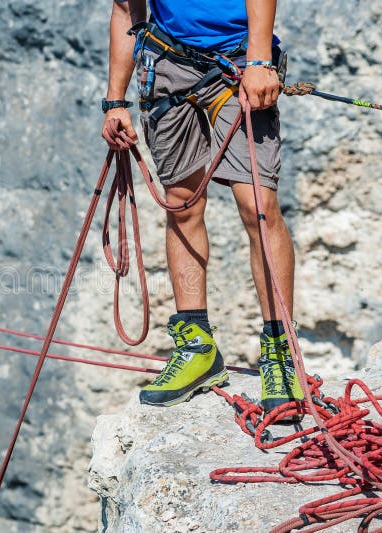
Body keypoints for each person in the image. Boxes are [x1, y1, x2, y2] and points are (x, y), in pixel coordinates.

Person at [102, 0, 303, 419]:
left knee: (258, 206)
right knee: (181, 206)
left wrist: (260, 59)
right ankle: (197, 347)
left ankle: (282, 352)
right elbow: (125, 8)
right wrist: (114, 101)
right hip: (166, 63)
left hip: (236, 62)